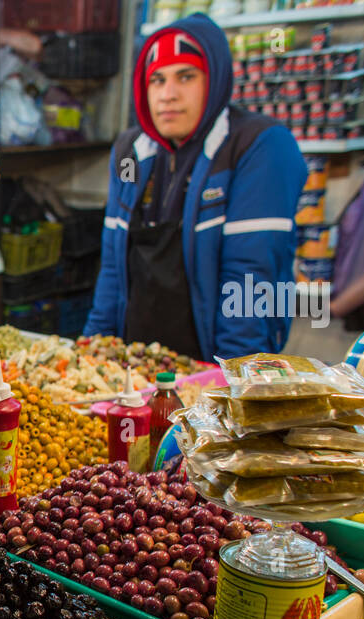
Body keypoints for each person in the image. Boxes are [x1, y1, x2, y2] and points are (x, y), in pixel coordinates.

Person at [84, 13, 308, 360]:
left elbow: (250, 281)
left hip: (209, 367)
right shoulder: (131, 151)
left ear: (214, 79)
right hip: (135, 371)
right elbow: (113, 267)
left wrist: (231, 382)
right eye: (156, 80)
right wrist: (92, 352)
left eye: (185, 77)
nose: (168, 95)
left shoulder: (258, 146)